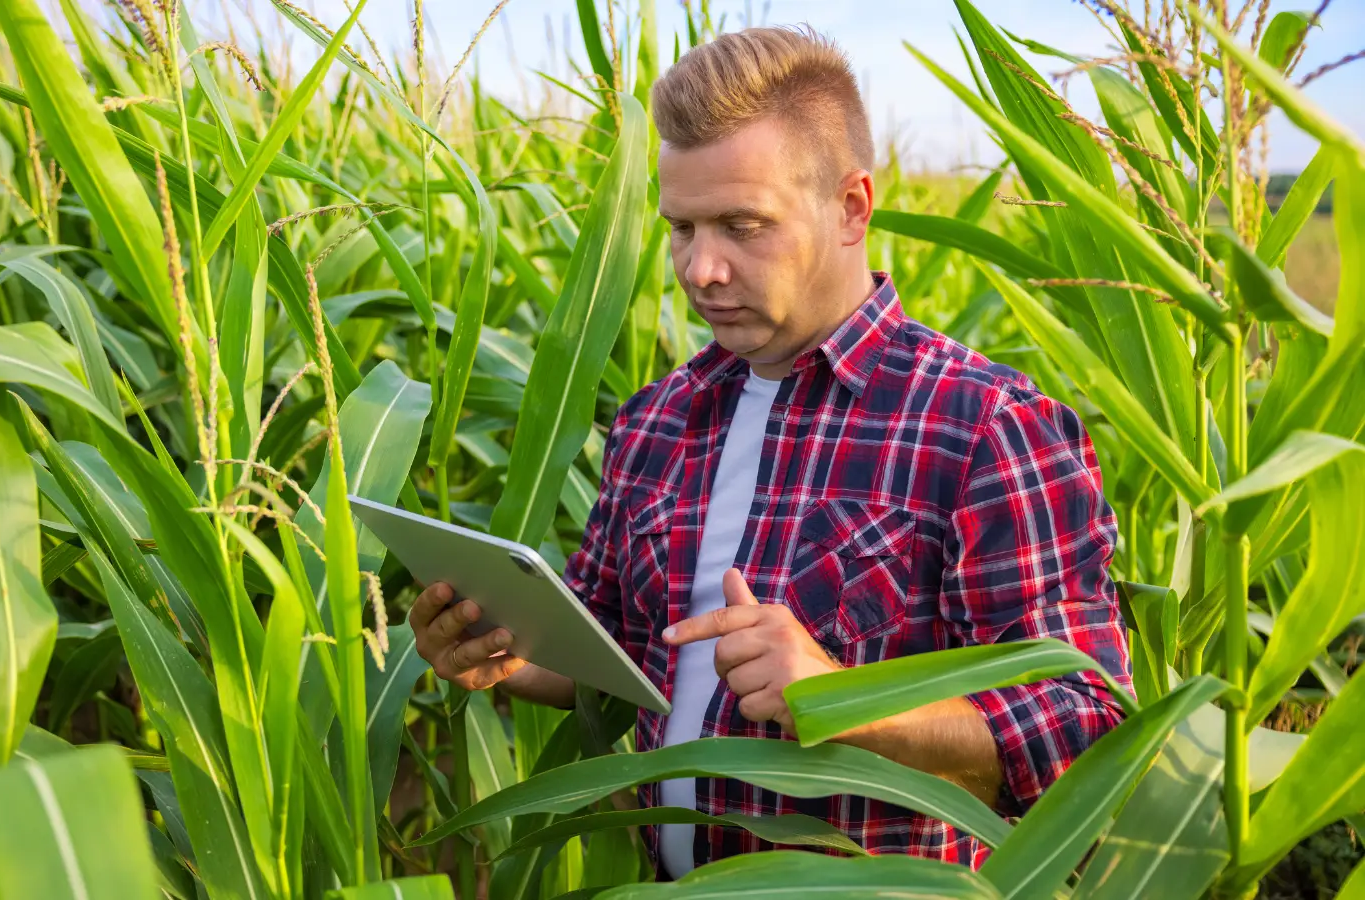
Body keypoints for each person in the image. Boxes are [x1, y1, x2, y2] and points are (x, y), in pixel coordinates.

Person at [409, 23, 1132, 878]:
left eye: (742, 225)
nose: (700, 269)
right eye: (682, 228)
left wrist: (845, 704)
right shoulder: (656, 422)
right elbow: (619, 650)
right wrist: (503, 649)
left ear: (852, 207)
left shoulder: (980, 427)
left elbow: (1087, 735)